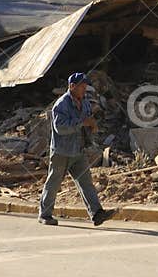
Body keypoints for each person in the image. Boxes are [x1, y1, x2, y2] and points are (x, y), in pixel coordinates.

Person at [38, 72, 115, 226]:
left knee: (86, 182)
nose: (84, 89)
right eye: (81, 86)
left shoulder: (85, 102)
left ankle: (97, 213)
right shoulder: (61, 104)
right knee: (54, 182)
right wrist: (82, 123)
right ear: (72, 86)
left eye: (85, 86)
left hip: (79, 150)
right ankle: (45, 214)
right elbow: (60, 128)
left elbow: (88, 120)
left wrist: (92, 126)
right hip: (62, 151)